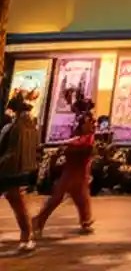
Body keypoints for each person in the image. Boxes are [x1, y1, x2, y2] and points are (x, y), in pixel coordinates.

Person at [33, 98, 96, 238]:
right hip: (72, 171)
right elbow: (77, 145)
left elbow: (86, 144)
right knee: (58, 197)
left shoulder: (86, 132)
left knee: (81, 197)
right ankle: (39, 221)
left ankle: (85, 220)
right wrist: (68, 145)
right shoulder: (78, 129)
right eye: (89, 122)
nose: (92, 123)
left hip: (80, 170)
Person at [0, 95, 40, 254]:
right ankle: (27, 237)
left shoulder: (15, 127)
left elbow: (10, 150)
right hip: (19, 171)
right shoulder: (30, 127)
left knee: (18, 204)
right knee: (18, 203)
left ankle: (27, 236)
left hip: (8, 171)